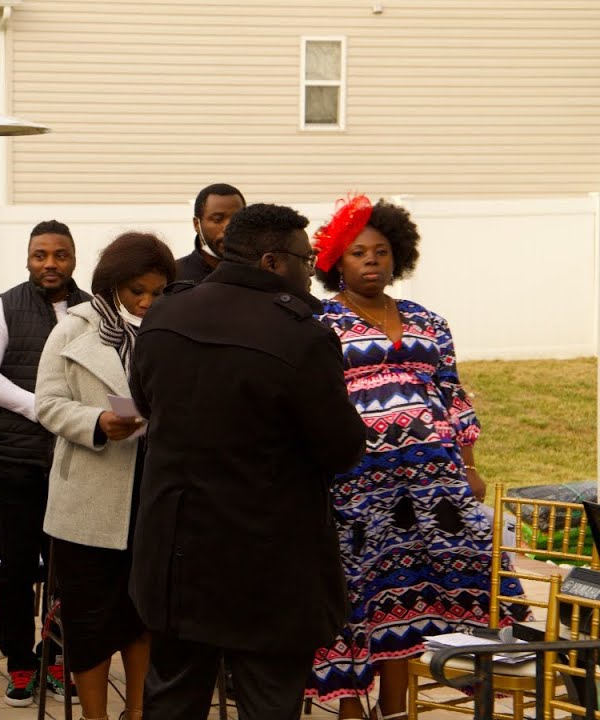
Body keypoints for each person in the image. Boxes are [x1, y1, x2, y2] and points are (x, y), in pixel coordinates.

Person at [129, 204, 366, 720]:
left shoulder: (166, 313)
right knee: (268, 702)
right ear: (272, 261)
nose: (313, 271)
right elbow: (342, 447)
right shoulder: (300, 335)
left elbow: (146, 404)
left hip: (176, 556)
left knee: (171, 698)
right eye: (306, 259)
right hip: (266, 563)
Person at [304, 196, 527, 719]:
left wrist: (469, 466)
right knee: (363, 591)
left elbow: (452, 395)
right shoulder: (322, 323)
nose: (372, 261)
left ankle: (397, 708)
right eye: (358, 253)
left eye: (381, 252)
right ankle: (352, 710)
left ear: (397, 256)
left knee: (423, 588)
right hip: (360, 484)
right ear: (337, 261)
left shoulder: (429, 321)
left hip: (436, 484)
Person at [36, 232, 176, 720]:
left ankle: (136, 710)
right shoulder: (74, 329)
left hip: (154, 492)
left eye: (158, 291)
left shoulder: (171, 330)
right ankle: (94, 715)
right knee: (89, 618)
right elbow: (47, 404)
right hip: (89, 500)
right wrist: (97, 422)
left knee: (143, 614)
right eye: (138, 289)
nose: (147, 300)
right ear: (114, 283)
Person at [0, 219, 90, 705]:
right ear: (28, 259)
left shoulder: (93, 309)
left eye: (60, 254)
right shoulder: (3, 306)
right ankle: (19, 664)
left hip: (76, 463)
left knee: (68, 571)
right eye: (41, 255)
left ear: (74, 258)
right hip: (17, 463)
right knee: (17, 570)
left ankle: (58, 659)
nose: (51, 263)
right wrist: (41, 408)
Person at [174, 183, 247, 283]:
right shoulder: (174, 274)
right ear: (197, 224)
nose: (229, 228)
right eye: (218, 219)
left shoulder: (261, 272)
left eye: (237, 219)